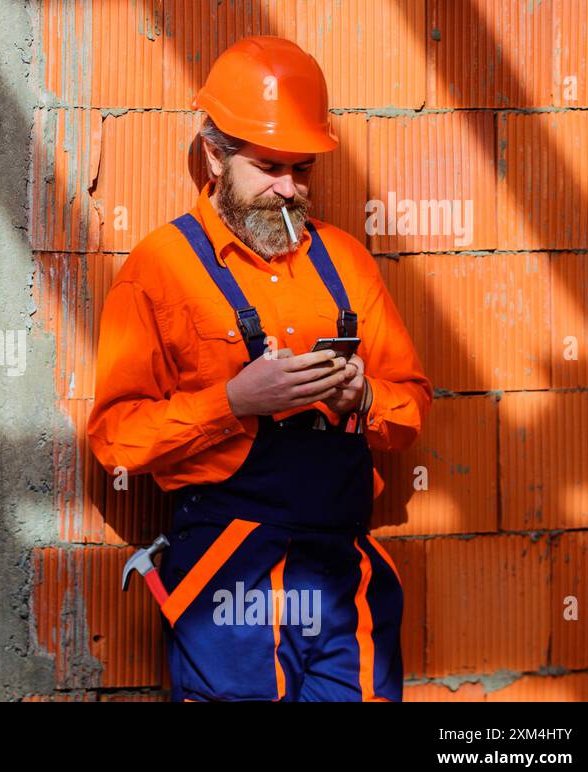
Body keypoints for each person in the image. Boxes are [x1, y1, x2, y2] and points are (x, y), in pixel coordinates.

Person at [87, 36, 432, 701]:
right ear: (214, 154)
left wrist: (365, 400)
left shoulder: (346, 262)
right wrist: (234, 402)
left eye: (302, 169)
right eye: (270, 166)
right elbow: (115, 440)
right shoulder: (160, 270)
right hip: (229, 579)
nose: (288, 189)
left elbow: (412, 405)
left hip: (340, 573)